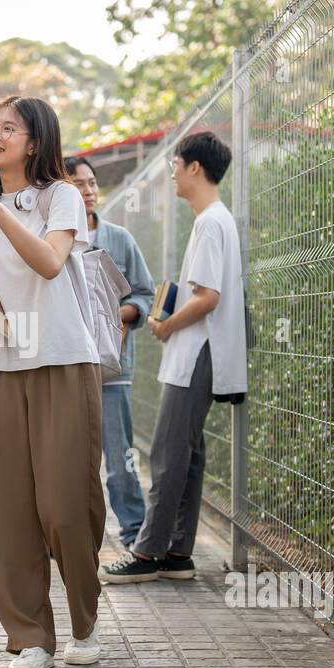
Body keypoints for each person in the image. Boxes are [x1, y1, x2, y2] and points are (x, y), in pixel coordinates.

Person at [0, 95, 105, 668]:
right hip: (6, 371)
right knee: (12, 510)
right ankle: (30, 637)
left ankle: (85, 622)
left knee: (65, 504)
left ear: (34, 142)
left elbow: (49, 263)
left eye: (7, 127)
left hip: (64, 361)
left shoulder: (60, 195)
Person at [99, 131, 248, 584]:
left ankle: (147, 554)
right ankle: (178, 552)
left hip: (198, 353)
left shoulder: (209, 222)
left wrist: (163, 325)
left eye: (176, 164)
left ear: (194, 168)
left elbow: (207, 298)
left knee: (167, 453)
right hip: (204, 353)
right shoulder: (216, 219)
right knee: (187, 452)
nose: (171, 173)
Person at [64, 155, 154, 549]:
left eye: (91, 183)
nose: (87, 191)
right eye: (77, 184)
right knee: (68, 459)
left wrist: (122, 312)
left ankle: (135, 533)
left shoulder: (120, 240)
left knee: (120, 460)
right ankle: (71, 537)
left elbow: (144, 292)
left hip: (112, 371)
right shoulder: (57, 241)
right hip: (65, 369)